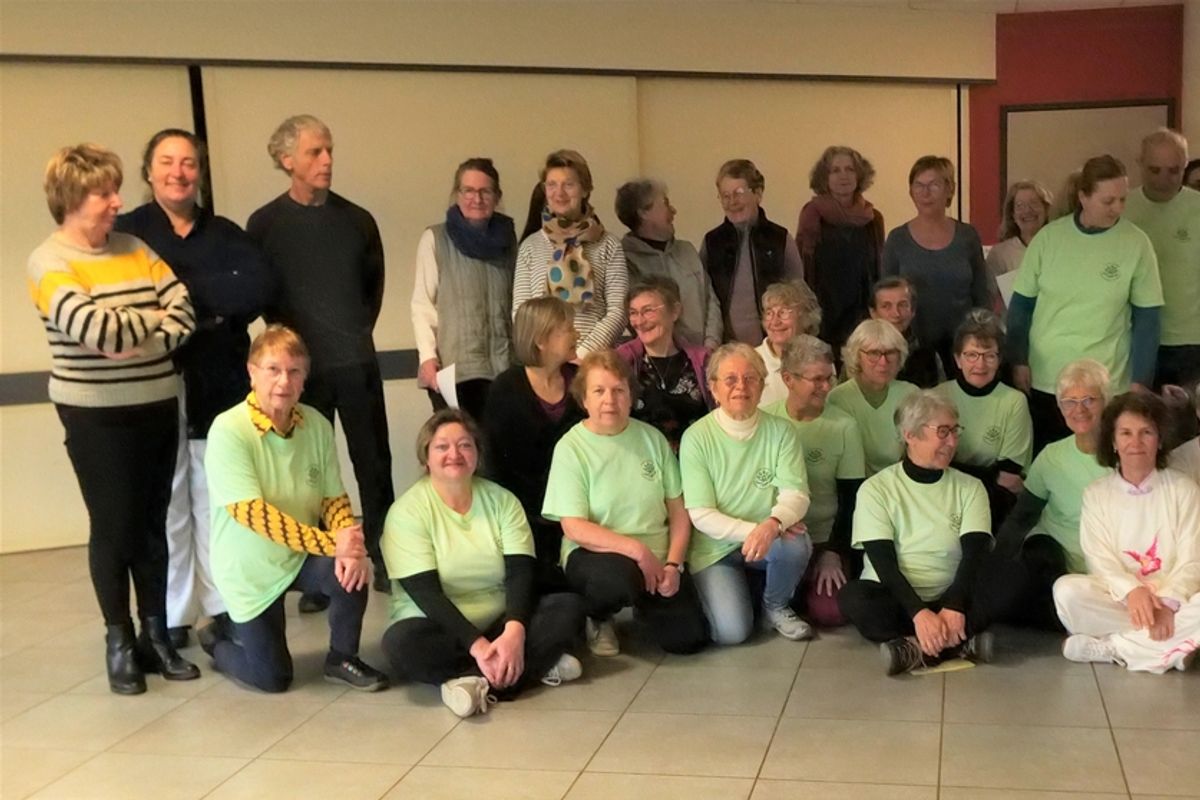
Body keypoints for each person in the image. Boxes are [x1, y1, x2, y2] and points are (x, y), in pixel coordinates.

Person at [29, 143, 199, 695]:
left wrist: (133, 330)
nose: (117, 202)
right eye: (105, 193)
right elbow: (99, 335)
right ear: (73, 198)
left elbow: (185, 313)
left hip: (154, 403)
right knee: (115, 527)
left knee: (153, 526)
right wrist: (146, 323)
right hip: (94, 415)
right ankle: (119, 640)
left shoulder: (135, 247)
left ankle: (156, 636)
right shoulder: (48, 262)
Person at [116, 128, 270, 650]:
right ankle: (173, 613)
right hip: (150, 380)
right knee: (167, 502)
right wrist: (210, 306)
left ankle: (224, 605)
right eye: (167, 162)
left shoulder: (227, 233)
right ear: (148, 170)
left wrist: (176, 302)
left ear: (199, 172)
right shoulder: (127, 233)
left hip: (218, 380)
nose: (178, 172)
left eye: (188, 163)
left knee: (217, 498)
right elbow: (123, 299)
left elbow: (254, 286)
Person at [247, 114, 394, 595]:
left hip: (356, 362)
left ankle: (387, 556)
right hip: (300, 374)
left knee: (373, 464)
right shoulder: (265, 225)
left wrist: (349, 334)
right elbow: (264, 294)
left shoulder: (357, 221)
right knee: (307, 475)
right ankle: (315, 571)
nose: (327, 160)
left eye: (329, 150)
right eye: (315, 152)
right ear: (287, 160)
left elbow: (372, 289)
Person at [202, 326, 389, 693]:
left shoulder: (316, 424)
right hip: (250, 570)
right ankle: (216, 640)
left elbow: (333, 498)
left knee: (350, 571)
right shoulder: (228, 430)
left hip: (299, 557)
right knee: (272, 679)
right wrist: (332, 543)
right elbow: (253, 514)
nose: (283, 381)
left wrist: (348, 542)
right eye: (273, 369)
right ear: (252, 372)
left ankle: (342, 657)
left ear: (305, 378)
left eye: (294, 371)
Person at [382, 410, 584, 717]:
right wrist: (477, 646)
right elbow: (426, 594)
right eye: (442, 447)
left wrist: (514, 631)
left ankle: (469, 682)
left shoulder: (503, 501)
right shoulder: (406, 512)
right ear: (425, 458)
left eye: (465, 445)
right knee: (400, 644)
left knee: (567, 606)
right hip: (437, 622)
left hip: (499, 619)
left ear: (477, 453)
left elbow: (520, 572)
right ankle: (525, 669)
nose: (455, 454)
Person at [543, 351, 709, 657]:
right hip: (599, 555)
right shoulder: (571, 448)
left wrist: (673, 564)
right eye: (599, 391)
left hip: (657, 558)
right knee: (618, 580)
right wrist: (637, 551)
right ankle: (599, 617)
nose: (610, 400)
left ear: (631, 396)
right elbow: (574, 526)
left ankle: (645, 606)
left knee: (689, 640)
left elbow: (678, 511)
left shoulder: (652, 439)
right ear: (584, 399)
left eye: (619, 390)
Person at [1008, 154, 1164, 455]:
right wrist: (1019, 359)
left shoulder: (1136, 243)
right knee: (1051, 463)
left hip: (1108, 382)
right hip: (1049, 378)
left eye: (1122, 199)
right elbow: (1021, 307)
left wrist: (1141, 381)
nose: (1117, 208)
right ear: (1083, 197)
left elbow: (1148, 318)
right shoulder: (1049, 239)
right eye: (1108, 201)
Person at [839, 390, 996, 675]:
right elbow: (883, 564)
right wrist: (919, 613)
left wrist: (954, 605)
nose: (952, 441)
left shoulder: (971, 487)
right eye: (943, 432)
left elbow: (975, 554)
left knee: (1010, 574)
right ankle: (957, 643)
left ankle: (913, 649)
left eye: (955, 431)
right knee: (854, 598)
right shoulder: (876, 489)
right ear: (910, 435)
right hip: (898, 597)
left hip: (952, 593)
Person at [1053, 392, 1200, 673]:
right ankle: (1173, 648)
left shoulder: (1184, 490)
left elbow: (1193, 559)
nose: (1136, 443)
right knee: (1067, 592)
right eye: (1126, 433)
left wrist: (1168, 603)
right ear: (1113, 441)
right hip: (1122, 600)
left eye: (1146, 432)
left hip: (1175, 599)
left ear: (1159, 440)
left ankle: (1115, 649)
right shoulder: (1096, 494)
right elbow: (1099, 561)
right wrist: (1132, 592)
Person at [681, 343, 814, 645]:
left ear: (763, 385)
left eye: (750, 378)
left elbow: (796, 494)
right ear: (713, 388)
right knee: (732, 634)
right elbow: (701, 514)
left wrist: (773, 524)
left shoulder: (781, 432)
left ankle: (775, 605)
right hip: (715, 550)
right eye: (730, 380)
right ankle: (732, 592)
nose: (741, 386)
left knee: (796, 545)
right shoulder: (696, 438)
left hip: (768, 540)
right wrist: (758, 531)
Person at [992, 360, 1113, 630]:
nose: (1078, 409)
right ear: (1059, 408)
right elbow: (1022, 516)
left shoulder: (1126, 451)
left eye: (1089, 400)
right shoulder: (1051, 456)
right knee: (1036, 560)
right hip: (1055, 558)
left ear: (1107, 402)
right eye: (1069, 401)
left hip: (1108, 560)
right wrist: (994, 566)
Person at [762, 335, 866, 627]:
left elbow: (851, 499)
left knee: (831, 613)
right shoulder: (767, 420)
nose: (825, 387)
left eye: (828, 379)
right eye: (816, 380)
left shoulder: (843, 426)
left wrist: (834, 552)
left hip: (824, 537)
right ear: (788, 379)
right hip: (778, 536)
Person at [483, 298, 586, 591]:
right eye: (568, 328)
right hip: (523, 514)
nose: (576, 334)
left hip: (579, 510)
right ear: (541, 340)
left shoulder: (581, 380)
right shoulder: (505, 389)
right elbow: (496, 466)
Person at [411, 157, 517, 420]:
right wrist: (427, 356)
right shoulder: (435, 239)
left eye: (485, 191)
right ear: (456, 194)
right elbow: (422, 304)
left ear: (497, 196)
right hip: (454, 373)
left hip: (502, 371)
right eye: (468, 190)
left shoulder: (509, 241)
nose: (476, 198)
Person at [512, 149, 628, 356]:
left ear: (585, 190)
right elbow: (521, 313)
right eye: (552, 185)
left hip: (593, 364)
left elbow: (618, 311)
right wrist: (547, 355)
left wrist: (581, 355)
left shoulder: (608, 244)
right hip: (545, 363)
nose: (559, 193)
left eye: (569, 184)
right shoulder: (530, 246)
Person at [882, 155, 991, 375]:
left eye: (934, 185)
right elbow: (885, 296)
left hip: (963, 350)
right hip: (911, 350)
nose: (925, 192)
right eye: (919, 185)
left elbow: (981, 294)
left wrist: (982, 340)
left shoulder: (967, 236)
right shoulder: (897, 239)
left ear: (950, 189)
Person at [935, 310, 1033, 529]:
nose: (980, 365)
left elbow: (1009, 476)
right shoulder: (937, 397)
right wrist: (988, 474)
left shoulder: (1014, 401)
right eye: (971, 355)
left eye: (989, 356)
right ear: (958, 359)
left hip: (996, 504)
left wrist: (956, 469)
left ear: (999, 360)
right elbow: (931, 464)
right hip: (942, 498)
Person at [1124, 129, 1200, 390]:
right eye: (1155, 170)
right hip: (1136, 338)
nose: (1164, 179)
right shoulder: (1122, 209)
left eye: (1174, 170)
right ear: (1140, 164)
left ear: (1185, 166)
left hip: (1192, 341)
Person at [701, 159, 805, 344]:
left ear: (758, 193)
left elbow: (798, 295)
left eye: (739, 193)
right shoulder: (712, 242)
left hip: (774, 346)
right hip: (726, 348)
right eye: (725, 195)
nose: (732, 201)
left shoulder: (779, 239)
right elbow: (706, 299)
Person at [796, 145, 884, 356]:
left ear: (859, 175)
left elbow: (878, 269)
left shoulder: (873, 218)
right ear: (824, 177)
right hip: (822, 318)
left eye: (849, 169)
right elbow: (802, 272)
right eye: (835, 170)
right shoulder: (812, 215)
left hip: (861, 317)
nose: (843, 176)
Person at [616, 179, 722, 349]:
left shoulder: (687, 250)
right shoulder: (625, 261)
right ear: (643, 212)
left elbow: (711, 300)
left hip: (706, 356)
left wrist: (711, 343)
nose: (673, 211)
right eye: (665, 203)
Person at [616, 275, 713, 451]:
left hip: (696, 460)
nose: (639, 321)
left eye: (648, 311)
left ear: (675, 311)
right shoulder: (621, 361)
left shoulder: (703, 360)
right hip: (642, 464)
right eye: (633, 313)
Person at [827, 319, 920, 475]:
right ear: (857, 357)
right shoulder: (838, 399)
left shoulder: (911, 394)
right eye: (873, 353)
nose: (883, 362)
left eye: (890, 352)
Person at [755, 281, 821, 407]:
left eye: (783, 312)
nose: (774, 321)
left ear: (805, 317)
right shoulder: (751, 361)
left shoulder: (820, 357)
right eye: (769, 313)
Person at [869, 277, 939, 388]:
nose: (896, 313)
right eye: (886, 306)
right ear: (873, 313)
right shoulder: (860, 352)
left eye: (902, 305)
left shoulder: (928, 354)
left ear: (913, 311)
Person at [986, 180, 1052, 279]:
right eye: (1020, 205)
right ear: (1012, 214)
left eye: (1034, 203)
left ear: (1046, 209)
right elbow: (990, 292)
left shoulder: (1060, 247)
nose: (1027, 210)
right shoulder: (1000, 254)